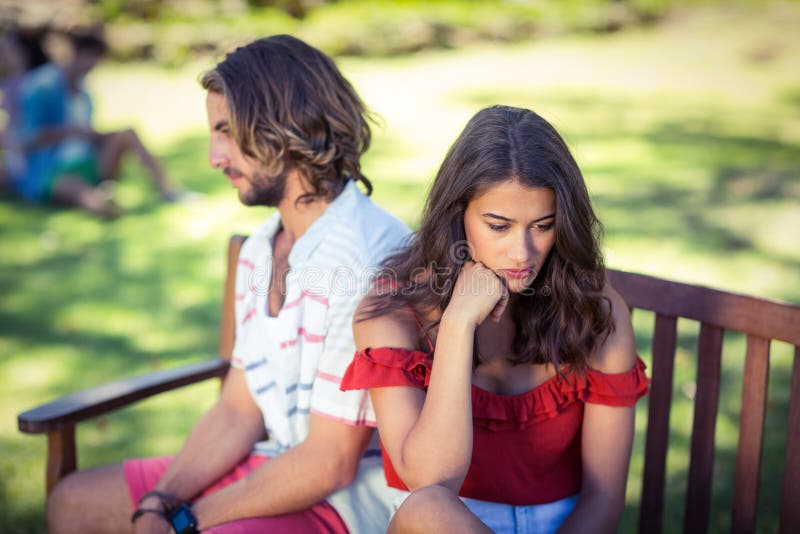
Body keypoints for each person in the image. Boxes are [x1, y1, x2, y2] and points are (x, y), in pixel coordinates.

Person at [47, 35, 410, 533]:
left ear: (286, 124)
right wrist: (159, 501)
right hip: (272, 462)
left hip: (344, 501)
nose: (215, 157)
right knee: (74, 503)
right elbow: (239, 408)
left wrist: (184, 522)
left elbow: (331, 461)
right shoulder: (263, 247)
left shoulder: (371, 258)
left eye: (226, 131)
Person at [341, 105, 651, 533]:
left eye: (543, 225)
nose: (523, 253)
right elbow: (430, 480)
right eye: (499, 226)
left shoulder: (594, 313)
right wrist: (457, 324)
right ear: (458, 215)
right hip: (447, 527)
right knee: (427, 507)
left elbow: (604, 499)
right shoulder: (394, 316)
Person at [15, 30, 183, 217]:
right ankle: (103, 206)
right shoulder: (41, 85)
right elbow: (30, 137)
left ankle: (168, 191)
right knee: (79, 191)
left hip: (88, 161)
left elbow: (86, 135)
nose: (93, 64)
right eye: (91, 57)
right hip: (54, 168)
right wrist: (74, 132)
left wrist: (98, 136)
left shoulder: (84, 93)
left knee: (128, 132)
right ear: (75, 53)